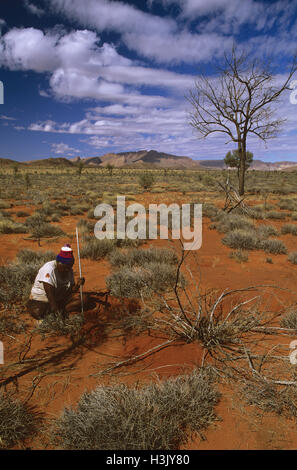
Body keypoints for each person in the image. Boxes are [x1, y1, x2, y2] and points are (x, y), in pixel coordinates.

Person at [27, 244, 85, 320]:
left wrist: (78, 285)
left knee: (83, 299)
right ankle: (58, 312)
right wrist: (58, 314)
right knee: (38, 311)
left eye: (69, 267)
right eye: (65, 267)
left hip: (59, 298)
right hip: (42, 299)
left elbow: (71, 290)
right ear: (58, 262)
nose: (67, 270)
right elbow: (50, 295)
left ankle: (60, 311)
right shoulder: (49, 269)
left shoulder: (68, 269)